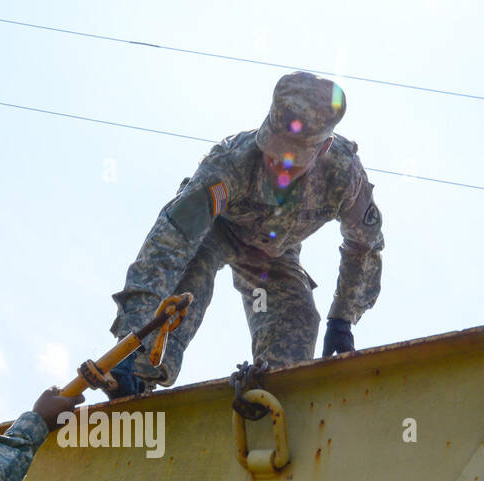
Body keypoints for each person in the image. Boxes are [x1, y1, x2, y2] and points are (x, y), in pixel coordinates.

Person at [107, 71, 384, 396]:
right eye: (273, 150)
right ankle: (140, 370)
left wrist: (342, 320)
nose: (276, 165)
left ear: (321, 150)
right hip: (217, 231)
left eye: (291, 160)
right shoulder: (230, 164)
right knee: (190, 273)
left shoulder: (344, 176)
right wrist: (132, 336)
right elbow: (169, 243)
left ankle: (273, 396)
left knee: (298, 316)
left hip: (275, 254)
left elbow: (364, 246)